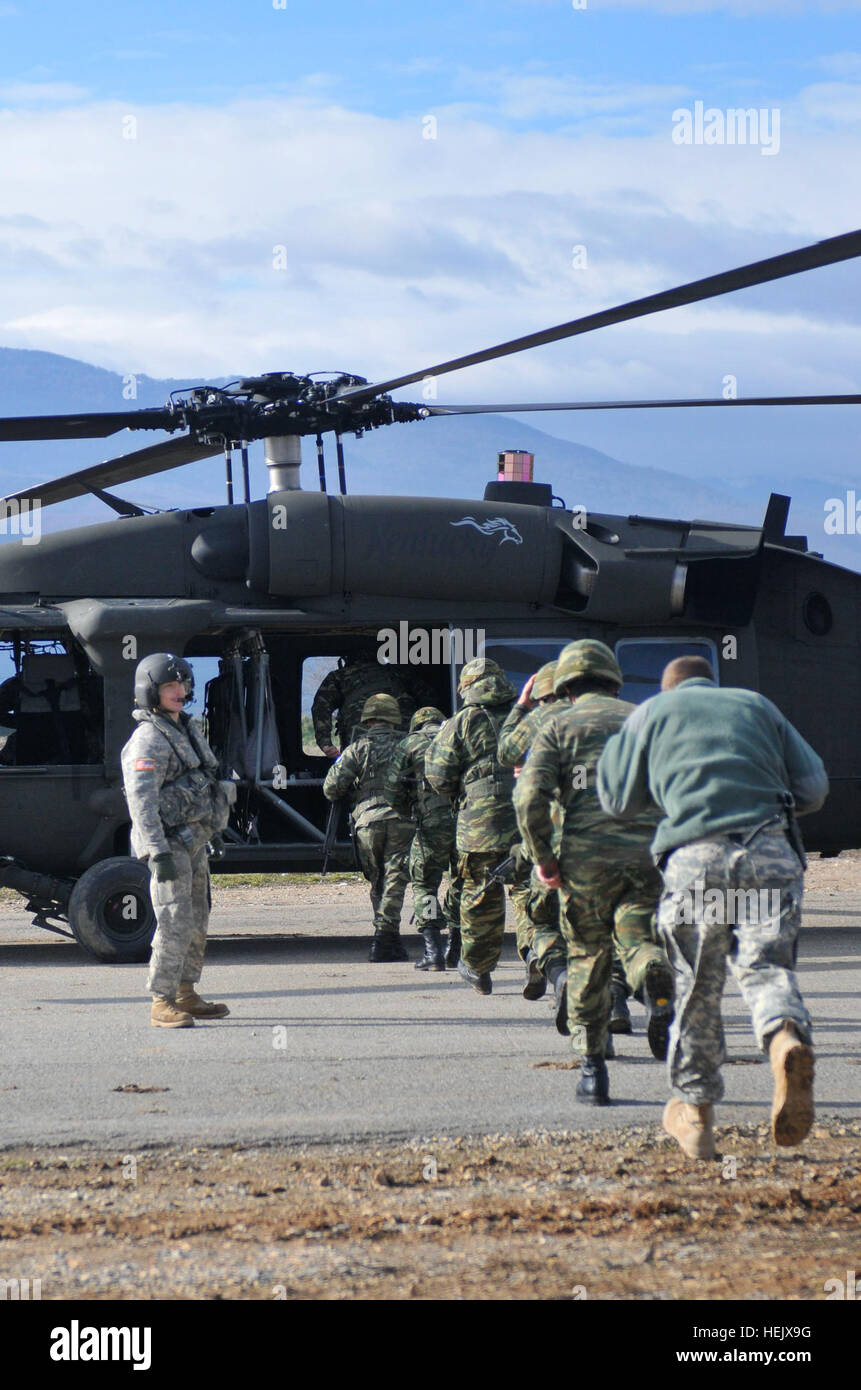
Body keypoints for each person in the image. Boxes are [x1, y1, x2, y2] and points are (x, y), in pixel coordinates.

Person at [597, 654, 828, 1159]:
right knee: (766, 969)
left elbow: (616, 800)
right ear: (712, 682)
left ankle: (696, 1114)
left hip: (696, 860)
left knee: (698, 986)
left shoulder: (650, 713)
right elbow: (813, 788)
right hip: (769, 851)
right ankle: (785, 1041)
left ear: (669, 685)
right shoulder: (757, 706)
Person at [513, 640, 674, 1105]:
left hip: (583, 863)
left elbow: (528, 798)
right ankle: (654, 977)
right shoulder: (645, 721)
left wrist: (543, 859)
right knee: (639, 939)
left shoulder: (557, 725)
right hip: (645, 857)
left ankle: (593, 1070)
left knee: (587, 956)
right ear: (613, 678)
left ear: (565, 684)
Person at [121, 653, 235, 1029]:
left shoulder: (186, 728)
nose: (179, 692)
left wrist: (213, 831)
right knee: (173, 919)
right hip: (169, 845)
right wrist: (157, 852)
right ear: (151, 692)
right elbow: (142, 802)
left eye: (183, 685)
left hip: (195, 840)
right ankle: (161, 1000)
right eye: (170, 686)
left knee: (198, 917)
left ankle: (186, 992)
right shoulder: (148, 739)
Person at [425, 657, 518, 995]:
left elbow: (437, 775)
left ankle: (478, 969)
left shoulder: (462, 721)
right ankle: (545, 962)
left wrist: (464, 793)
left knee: (481, 893)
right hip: (531, 820)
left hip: (481, 824)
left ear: (467, 687)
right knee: (531, 892)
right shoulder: (528, 716)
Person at [498, 662, 568, 1011]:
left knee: (540, 917)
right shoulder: (600, 717)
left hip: (548, 839)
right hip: (604, 840)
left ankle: (557, 973)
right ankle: (617, 1002)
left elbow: (506, 751)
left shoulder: (538, 720)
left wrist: (521, 707)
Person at [323, 693, 414, 961]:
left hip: (367, 822)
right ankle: (386, 938)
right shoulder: (409, 746)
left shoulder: (357, 748)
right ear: (394, 718)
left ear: (368, 718)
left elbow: (331, 788)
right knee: (396, 878)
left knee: (378, 881)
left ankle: (386, 936)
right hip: (402, 820)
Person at [384, 705, 462, 971]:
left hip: (431, 825)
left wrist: (409, 812)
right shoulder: (456, 736)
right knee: (462, 881)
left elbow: (392, 788)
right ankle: (456, 947)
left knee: (424, 883)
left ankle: (433, 951)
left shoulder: (410, 743)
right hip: (466, 822)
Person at [312, 649, 434, 757]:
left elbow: (321, 707)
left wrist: (325, 743)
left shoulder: (340, 677)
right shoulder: (399, 672)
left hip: (360, 740)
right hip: (406, 737)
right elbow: (429, 699)